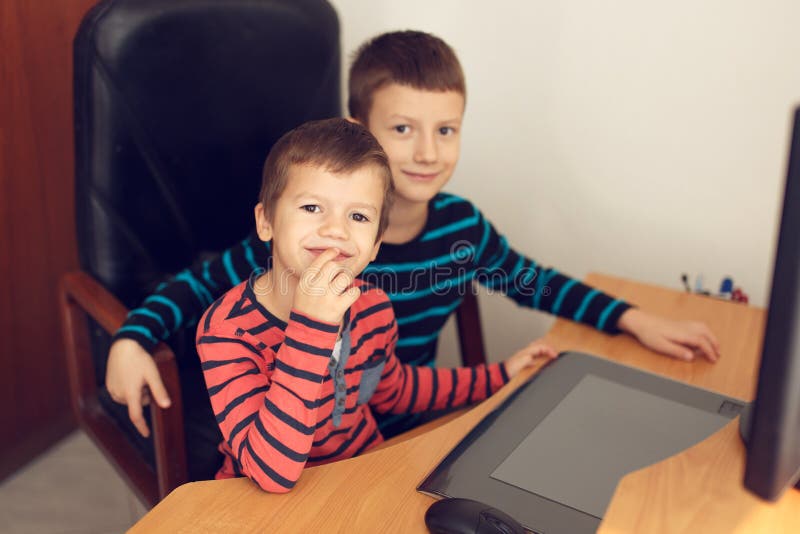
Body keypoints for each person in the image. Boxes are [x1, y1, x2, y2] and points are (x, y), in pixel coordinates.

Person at [107, 30, 719, 443]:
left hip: (402, 418)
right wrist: (133, 337)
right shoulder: (309, 241)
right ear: (358, 131)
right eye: (402, 128)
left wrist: (633, 319)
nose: (428, 153)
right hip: (304, 435)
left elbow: (535, 283)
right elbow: (194, 289)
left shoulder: (460, 230)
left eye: (446, 130)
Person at [197, 118, 557, 491]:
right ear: (266, 221)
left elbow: (395, 390)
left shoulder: (372, 307)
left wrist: (498, 376)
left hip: (359, 479)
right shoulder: (227, 331)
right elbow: (272, 473)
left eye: (358, 216)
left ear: (374, 246)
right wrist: (312, 328)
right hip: (257, 504)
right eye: (311, 208)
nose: (336, 229)